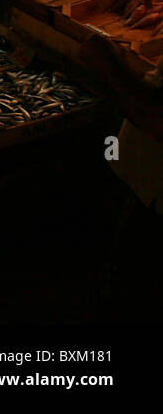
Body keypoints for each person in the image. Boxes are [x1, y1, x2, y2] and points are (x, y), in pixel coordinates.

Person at [77, 34, 163, 323]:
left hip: (155, 200)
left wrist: (106, 62)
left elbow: (153, 117)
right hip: (147, 188)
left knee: (128, 299)